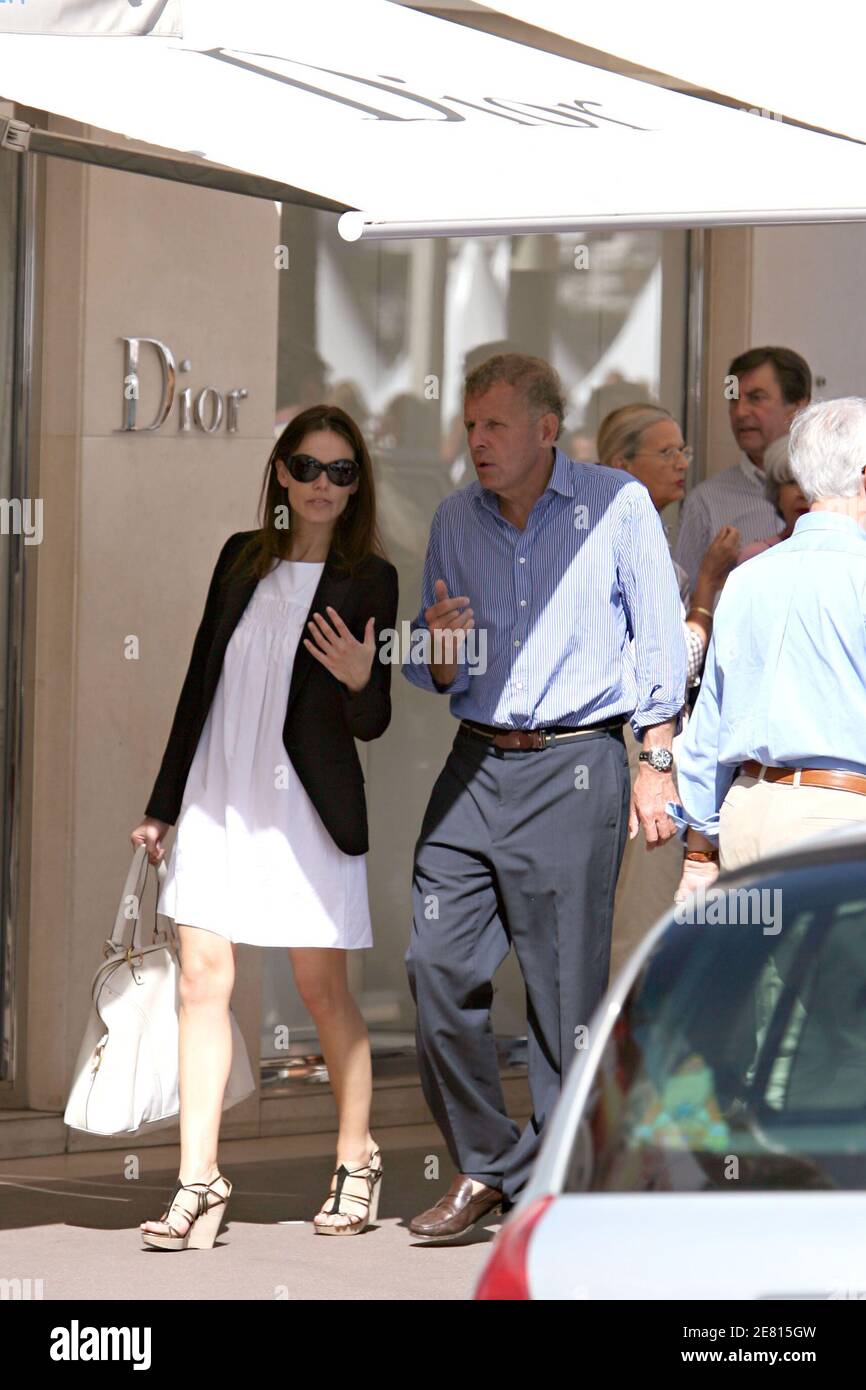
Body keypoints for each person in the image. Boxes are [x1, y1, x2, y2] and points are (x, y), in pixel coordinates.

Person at [402, 353, 686, 1239]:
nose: (477, 441)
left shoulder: (617, 504)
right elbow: (434, 666)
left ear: (545, 430)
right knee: (435, 965)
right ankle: (493, 1163)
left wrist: (654, 757)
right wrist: (438, 653)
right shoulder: (455, 517)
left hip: (576, 766)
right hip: (476, 761)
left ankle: (560, 1186)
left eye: (493, 425)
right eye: (471, 424)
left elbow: (660, 639)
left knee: (563, 997)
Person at [130, 405, 398, 1247]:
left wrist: (362, 677)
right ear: (282, 473)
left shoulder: (371, 578)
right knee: (202, 979)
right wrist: (162, 804)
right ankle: (198, 1180)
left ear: (357, 484)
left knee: (322, 992)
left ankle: (357, 1158)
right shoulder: (240, 560)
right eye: (310, 468)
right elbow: (195, 687)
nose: (324, 485)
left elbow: (374, 721)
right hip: (219, 789)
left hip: (304, 806)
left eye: (342, 471)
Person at [668, 394, 866, 890]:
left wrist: (699, 850)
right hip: (842, 819)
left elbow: (710, 721)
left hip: (748, 811)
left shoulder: (749, 577)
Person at [596, 403, 740, 975]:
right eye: (667, 452)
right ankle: (621, 1052)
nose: (682, 463)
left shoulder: (642, 529)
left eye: (684, 450)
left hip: (637, 743)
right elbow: (669, 663)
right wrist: (708, 587)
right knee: (640, 906)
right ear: (620, 463)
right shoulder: (628, 536)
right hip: (641, 744)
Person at [674, 346, 811, 592]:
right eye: (733, 399)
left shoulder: (838, 492)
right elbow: (679, 601)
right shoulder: (706, 501)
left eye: (756, 398)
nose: (740, 412)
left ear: (798, 408)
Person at [737, 433, 810, 564]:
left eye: (811, 482)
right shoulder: (757, 557)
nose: (803, 493)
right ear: (777, 493)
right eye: (792, 482)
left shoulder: (846, 553)